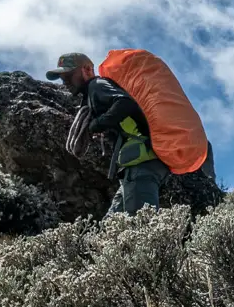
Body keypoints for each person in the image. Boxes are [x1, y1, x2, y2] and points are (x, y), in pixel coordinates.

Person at [47, 52, 167, 215]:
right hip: (134, 165)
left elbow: (125, 103)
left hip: (141, 162)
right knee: (111, 226)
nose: (65, 82)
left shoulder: (97, 85)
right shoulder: (92, 93)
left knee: (141, 222)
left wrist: (97, 124)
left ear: (87, 70)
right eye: (63, 78)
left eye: (69, 76)